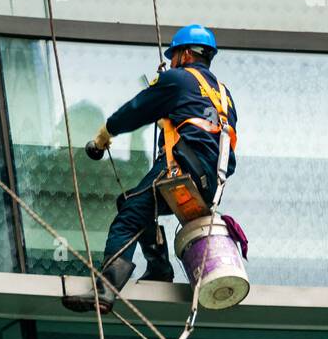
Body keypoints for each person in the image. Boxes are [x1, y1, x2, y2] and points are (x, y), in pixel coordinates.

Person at [64, 24, 238, 313]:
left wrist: (103, 137)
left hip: (183, 169)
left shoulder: (179, 79)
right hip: (211, 185)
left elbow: (136, 109)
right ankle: (158, 268)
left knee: (128, 218)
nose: (170, 63)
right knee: (133, 203)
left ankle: (105, 291)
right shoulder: (223, 95)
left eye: (173, 57)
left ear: (183, 54)